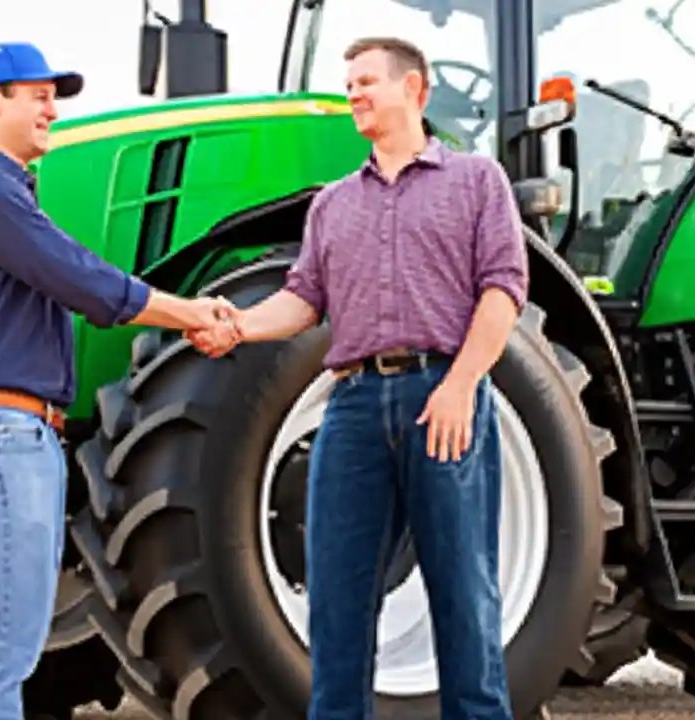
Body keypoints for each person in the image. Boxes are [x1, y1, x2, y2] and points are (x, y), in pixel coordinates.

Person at [189, 36, 528, 720]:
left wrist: (462, 385)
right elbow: (304, 299)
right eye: (349, 82)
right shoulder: (331, 205)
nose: (354, 92)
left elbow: (504, 290)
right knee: (338, 599)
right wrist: (238, 327)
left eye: (368, 80)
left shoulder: (476, 182)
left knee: (463, 592)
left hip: (444, 396)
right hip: (353, 406)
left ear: (416, 90)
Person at [0, 41, 235, 719]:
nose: (52, 107)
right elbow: (80, 278)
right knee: (1, 638)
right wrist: (187, 312)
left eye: (54, 95)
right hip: (4, 430)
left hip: (5, 428)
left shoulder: (4, 193)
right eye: (36, 94)